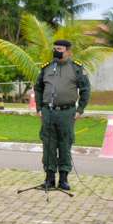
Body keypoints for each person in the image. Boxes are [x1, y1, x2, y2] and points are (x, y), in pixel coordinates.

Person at [33, 39, 90, 191]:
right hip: (48, 112)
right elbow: (38, 88)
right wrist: (39, 107)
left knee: (65, 143)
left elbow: (85, 90)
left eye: (60, 49)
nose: (56, 51)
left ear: (68, 52)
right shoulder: (46, 68)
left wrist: (80, 110)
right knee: (49, 144)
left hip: (67, 112)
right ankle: (49, 178)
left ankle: (63, 179)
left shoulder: (76, 68)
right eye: (55, 48)